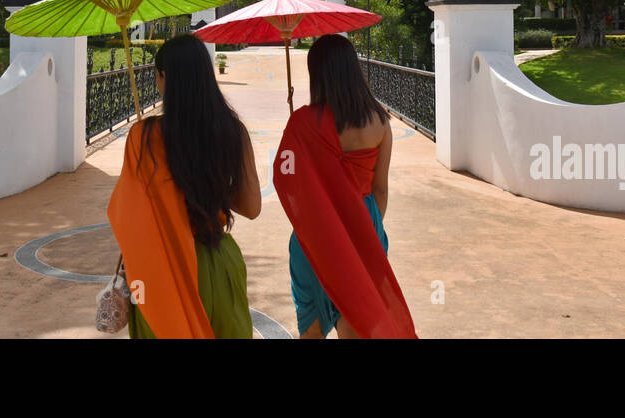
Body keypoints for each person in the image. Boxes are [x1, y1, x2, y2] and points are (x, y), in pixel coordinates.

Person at [106, 33, 261, 338]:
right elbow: (252, 206)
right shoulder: (233, 131)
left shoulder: (143, 138)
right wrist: (207, 187)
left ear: (164, 77)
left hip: (166, 271)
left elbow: (128, 216)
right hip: (220, 263)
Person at [273, 34, 417, 338]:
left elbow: (287, 179)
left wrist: (297, 128)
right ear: (353, 70)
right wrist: (364, 225)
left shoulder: (302, 122)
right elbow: (381, 190)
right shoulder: (379, 121)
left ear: (317, 74)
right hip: (365, 226)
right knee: (357, 322)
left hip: (315, 231)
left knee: (310, 330)